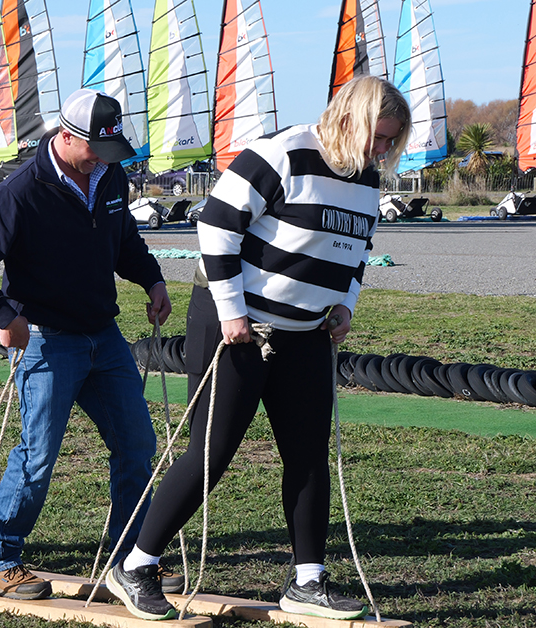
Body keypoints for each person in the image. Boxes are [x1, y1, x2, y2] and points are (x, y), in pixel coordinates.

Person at [110, 75, 410, 621]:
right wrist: (232, 311)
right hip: (237, 329)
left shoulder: (367, 178)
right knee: (212, 450)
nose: (383, 150)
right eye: (378, 137)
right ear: (349, 118)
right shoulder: (281, 154)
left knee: (308, 454)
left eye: (391, 141)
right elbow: (215, 226)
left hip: (308, 335)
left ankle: (308, 582)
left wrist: (346, 304)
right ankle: (135, 565)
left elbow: (357, 250)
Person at [0, 89, 176, 603]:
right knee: (38, 455)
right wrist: (5, 314)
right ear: (66, 137)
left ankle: (132, 558)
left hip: (105, 336)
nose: (103, 159)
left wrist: (153, 280)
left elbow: (125, 240)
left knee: (137, 446)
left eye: (110, 150)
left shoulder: (109, 173)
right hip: (47, 339)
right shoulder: (21, 190)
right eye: (95, 148)